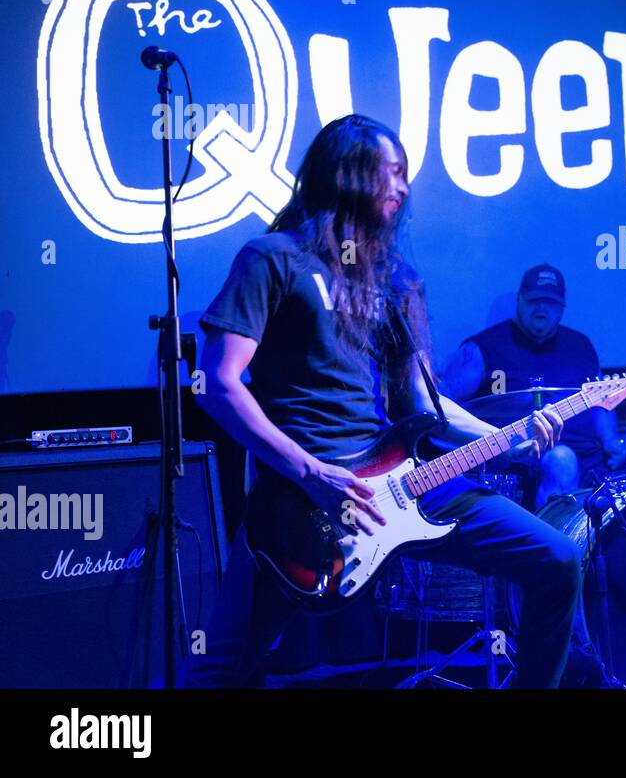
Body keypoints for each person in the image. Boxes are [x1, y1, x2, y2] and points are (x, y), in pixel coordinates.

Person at [183, 114, 580, 688]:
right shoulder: (272, 259)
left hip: (401, 483)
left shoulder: (395, 281)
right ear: (348, 173)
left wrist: (508, 439)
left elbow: (425, 403)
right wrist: (310, 471)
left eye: (405, 176)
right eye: (390, 173)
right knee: (220, 668)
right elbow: (218, 383)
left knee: (558, 560)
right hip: (302, 501)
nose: (402, 188)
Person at [440, 264, 626, 508]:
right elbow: (441, 403)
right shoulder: (482, 349)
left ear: (562, 308)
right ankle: (555, 544)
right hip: (516, 461)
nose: (541, 308)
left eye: (550, 302)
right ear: (519, 300)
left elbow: (600, 401)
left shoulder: (581, 346)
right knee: (561, 460)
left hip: (587, 460)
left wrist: (612, 440)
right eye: (534, 300)